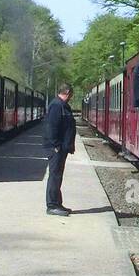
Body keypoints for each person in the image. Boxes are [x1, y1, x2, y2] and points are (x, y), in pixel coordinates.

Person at [43, 84, 76, 215]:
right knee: (55, 175)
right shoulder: (57, 105)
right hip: (56, 148)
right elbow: (51, 127)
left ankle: (57, 203)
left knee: (58, 176)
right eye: (71, 95)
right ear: (67, 92)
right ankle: (51, 205)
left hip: (61, 148)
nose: (71, 97)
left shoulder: (62, 105)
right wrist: (56, 145)